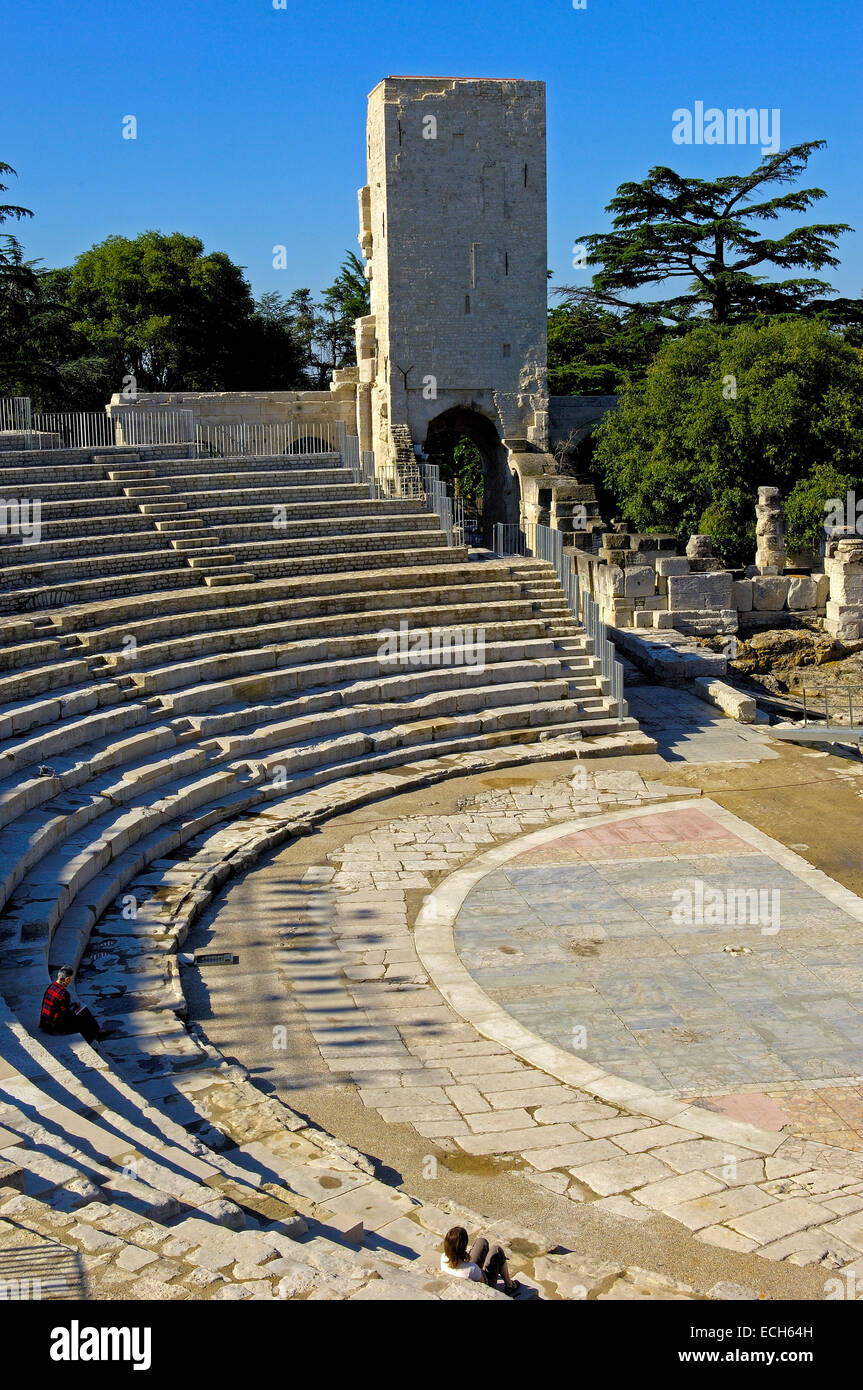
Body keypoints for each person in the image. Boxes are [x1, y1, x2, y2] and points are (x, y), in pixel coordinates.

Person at [440, 1226, 520, 1296]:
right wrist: (480, 1271)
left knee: (482, 1241)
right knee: (496, 1250)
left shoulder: (444, 1257)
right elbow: (484, 1284)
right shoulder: (472, 1269)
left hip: (465, 1271)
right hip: (485, 1286)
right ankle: (510, 1285)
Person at [39, 968, 104, 1045]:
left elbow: (58, 1007)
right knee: (84, 1017)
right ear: (67, 979)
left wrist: (74, 1007)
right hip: (55, 1026)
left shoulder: (51, 986)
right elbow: (66, 1015)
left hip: (45, 1023)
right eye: (70, 980)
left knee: (80, 1010)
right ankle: (93, 1040)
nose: (70, 982)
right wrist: (76, 1010)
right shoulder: (64, 994)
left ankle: (97, 1033)